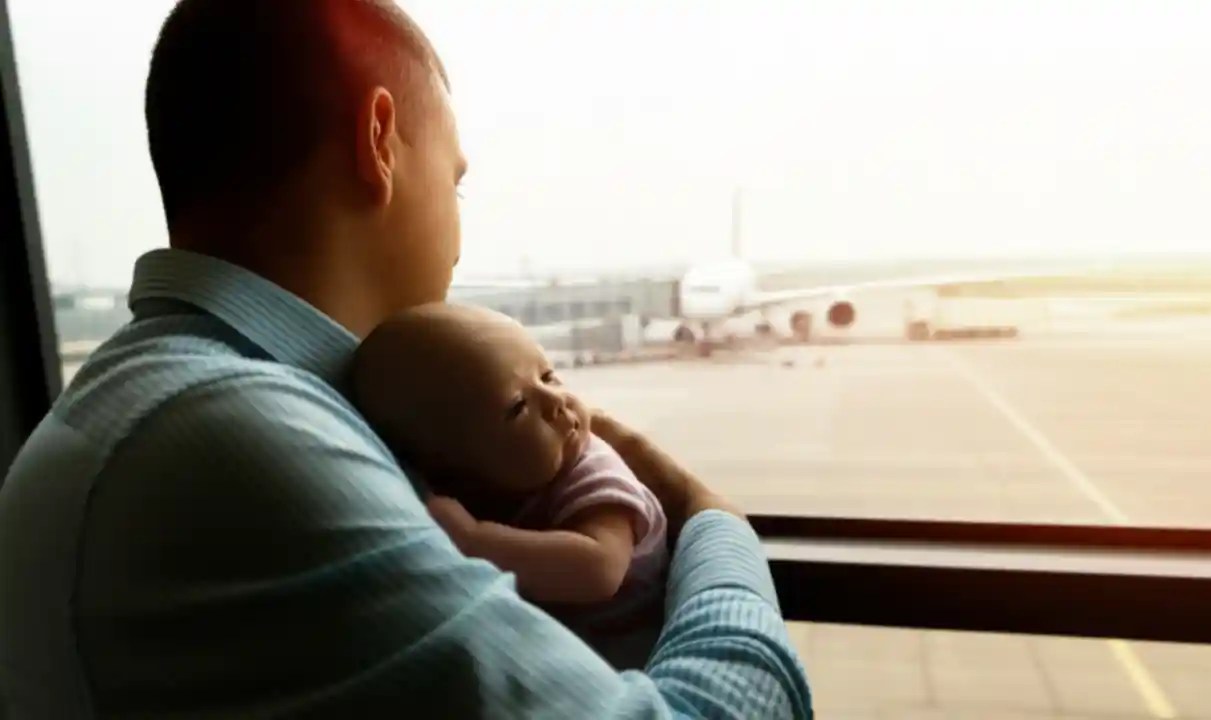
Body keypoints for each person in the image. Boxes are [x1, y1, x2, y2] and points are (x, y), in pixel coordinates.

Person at [0, 0, 812, 717]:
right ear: (379, 141)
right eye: (454, 184)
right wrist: (713, 523)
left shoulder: (140, 399)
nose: (458, 234)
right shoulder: (240, 439)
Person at [354, 302, 668, 670]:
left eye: (548, 376)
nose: (556, 401)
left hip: (638, 638)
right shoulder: (476, 487)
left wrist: (474, 541)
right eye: (518, 407)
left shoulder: (592, 472)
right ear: (447, 461)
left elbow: (599, 569)